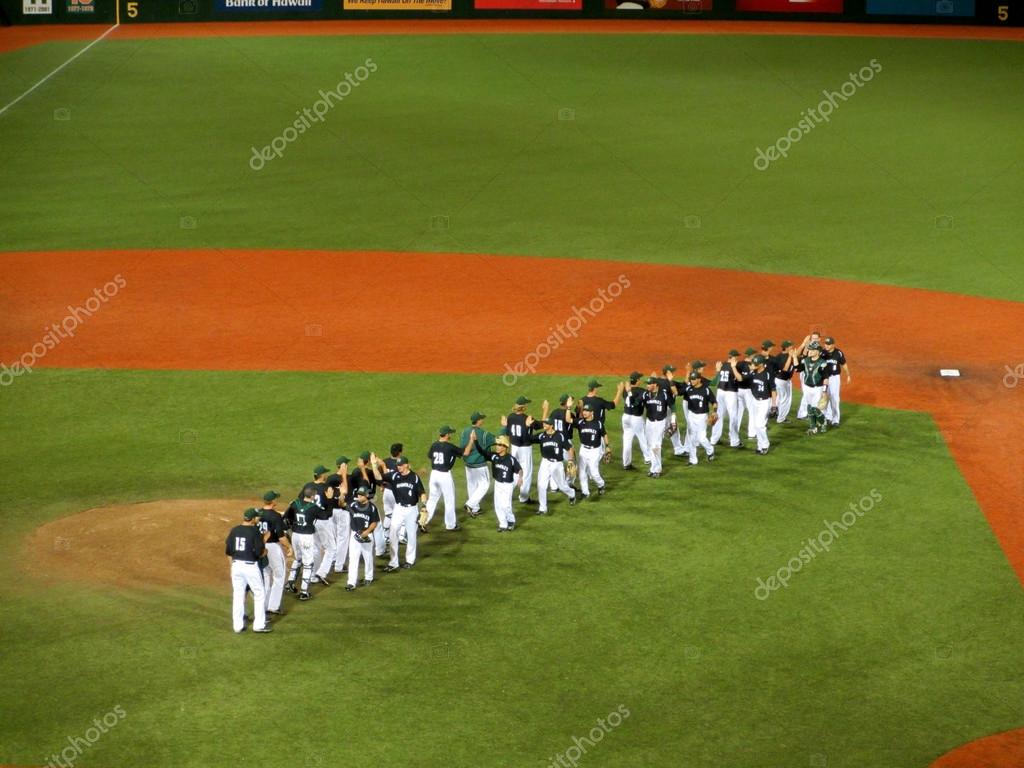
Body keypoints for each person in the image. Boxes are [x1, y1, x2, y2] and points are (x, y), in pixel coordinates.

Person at [225, 508, 271, 633]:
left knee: (238, 595)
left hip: (236, 566)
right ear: (252, 519)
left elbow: (228, 552)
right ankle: (259, 625)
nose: (258, 519)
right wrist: (265, 549)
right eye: (256, 517)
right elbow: (259, 553)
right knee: (259, 594)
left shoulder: (234, 530)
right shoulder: (254, 531)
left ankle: (237, 626)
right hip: (250, 566)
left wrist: (232, 567)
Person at [383, 458, 426, 572]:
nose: (399, 467)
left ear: (407, 465)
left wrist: (424, 506)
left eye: (401, 465)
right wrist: (373, 464)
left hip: (412, 509)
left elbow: (422, 492)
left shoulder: (414, 477)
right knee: (393, 532)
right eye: (398, 465)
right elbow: (379, 477)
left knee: (411, 535)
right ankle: (393, 562)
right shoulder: (394, 476)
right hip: (398, 508)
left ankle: (410, 560)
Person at [501, 396, 546, 505]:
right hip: (524, 449)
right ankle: (524, 497)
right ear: (524, 406)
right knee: (526, 473)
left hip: (514, 447)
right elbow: (544, 425)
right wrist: (545, 409)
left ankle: (505, 494)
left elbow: (507, 433)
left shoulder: (510, 417)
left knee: (515, 471)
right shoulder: (527, 418)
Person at [531, 419, 577, 514]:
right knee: (541, 485)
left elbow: (570, 448)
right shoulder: (541, 436)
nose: (544, 425)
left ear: (551, 425)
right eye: (544, 423)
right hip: (545, 462)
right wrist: (527, 426)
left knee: (562, 486)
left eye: (546, 423)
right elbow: (528, 439)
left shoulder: (560, 436)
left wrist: (571, 461)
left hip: (557, 464)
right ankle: (542, 508)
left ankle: (571, 493)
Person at [257, 491, 292, 616]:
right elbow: (281, 537)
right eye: (276, 498)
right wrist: (289, 547)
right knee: (279, 576)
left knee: (266, 575)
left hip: (261, 547)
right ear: (272, 501)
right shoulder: (275, 516)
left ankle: (263, 606)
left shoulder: (257, 514)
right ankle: (273, 606)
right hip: (272, 548)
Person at [284, 484, 319, 601]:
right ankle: (304, 591)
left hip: (295, 536)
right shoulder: (314, 507)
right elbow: (326, 515)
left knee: (297, 559)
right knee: (308, 563)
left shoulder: (294, 503)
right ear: (313, 496)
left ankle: (290, 583)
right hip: (306, 537)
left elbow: (286, 517)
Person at [425, 425, 463, 531]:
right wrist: (471, 442)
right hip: (444, 475)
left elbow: (430, 456)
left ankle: (423, 521)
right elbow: (464, 452)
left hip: (434, 475)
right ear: (446, 435)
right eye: (450, 433)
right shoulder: (449, 447)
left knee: (432, 499)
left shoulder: (434, 445)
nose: (450, 435)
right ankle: (450, 525)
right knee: (449, 500)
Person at [460, 411, 495, 518]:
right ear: (478, 421)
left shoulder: (464, 432)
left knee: (472, 485)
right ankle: (470, 505)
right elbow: (496, 439)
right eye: (482, 419)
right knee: (484, 484)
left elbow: (462, 447)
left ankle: (475, 508)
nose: (483, 420)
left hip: (468, 464)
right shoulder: (484, 434)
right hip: (480, 465)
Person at [485, 435, 523, 532]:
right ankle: (503, 524)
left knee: (506, 505)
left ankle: (511, 520)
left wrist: (520, 478)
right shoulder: (494, 456)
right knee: (497, 505)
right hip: (497, 483)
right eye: (497, 445)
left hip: (507, 485)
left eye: (499, 445)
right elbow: (482, 451)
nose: (497, 447)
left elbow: (519, 469)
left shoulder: (511, 459)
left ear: (505, 447)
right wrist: (475, 441)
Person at [346, 486, 380, 591]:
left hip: (367, 535)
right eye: (358, 494)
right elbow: (341, 504)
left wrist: (367, 532)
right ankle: (351, 582)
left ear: (366, 496)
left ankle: (369, 577)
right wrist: (342, 495)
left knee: (368, 557)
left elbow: (374, 522)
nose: (358, 496)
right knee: (353, 559)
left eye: (361, 495)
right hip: (355, 535)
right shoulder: (353, 505)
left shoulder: (372, 508)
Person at [795, 338, 831, 434]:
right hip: (807, 387)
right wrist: (794, 357)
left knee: (815, 408)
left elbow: (826, 378)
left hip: (817, 388)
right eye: (809, 349)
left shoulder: (823, 363)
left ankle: (823, 422)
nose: (809, 351)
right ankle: (813, 427)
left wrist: (824, 391)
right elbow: (796, 369)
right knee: (809, 407)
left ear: (817, 351)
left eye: (812, 350)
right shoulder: (805, 360)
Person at [681, 371, 716, 466]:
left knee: (701, 438)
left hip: (702, 416)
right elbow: (678, 392)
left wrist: (714, 412)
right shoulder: (689, 389)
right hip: (691, 415)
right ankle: (693, 460)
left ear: (699, 379)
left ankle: (710, 450)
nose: (692, 381)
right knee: (691, 438)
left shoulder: (706, 390)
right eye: (691, 379)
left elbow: (714, 402)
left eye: (694, 379)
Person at [711, 350, 744, 449]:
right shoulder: (736, 366)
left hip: (720, 392)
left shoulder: (722, 364)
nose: (737, 358)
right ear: (733, 357)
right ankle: (734, 441)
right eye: (736, 356)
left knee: (719, 415)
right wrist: (734, 368)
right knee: (733, 416)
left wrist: (717, 370)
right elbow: (740, 379)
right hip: (731, 393)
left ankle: (714, 439)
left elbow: (715, 381)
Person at [574, 404, 608, 497]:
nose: (584, 412)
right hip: (583, 449)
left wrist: (607, 446)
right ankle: (585, 492)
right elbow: (568, 420)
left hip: (595, 450)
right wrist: (569, 408)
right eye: (584, 410)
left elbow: (604, 434)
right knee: (582, 471)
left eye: (587, 411)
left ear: (592, 412)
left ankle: (601, 484)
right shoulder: (580, 422)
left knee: (593, 473)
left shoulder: (598, 423)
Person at [620, 371, 651, 470]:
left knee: (627, 440)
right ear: (637, 380)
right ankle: (648, 458)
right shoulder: (641, 391)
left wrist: (628, 391)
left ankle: (626, 463)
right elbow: (636, 403)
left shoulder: (625, 390)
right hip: (636, 418)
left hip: (626, 417)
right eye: (639, 379)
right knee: (642, 437)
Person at [641, 376, 670, 478]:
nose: (647, 386)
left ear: (655, 385)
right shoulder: (646, 394)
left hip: (660, 422)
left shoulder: (664, 395)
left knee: (656, 446)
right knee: (650, 445)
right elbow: (637, 404)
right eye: (647, 384)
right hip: (649, 422)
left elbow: (672, 406)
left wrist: (673, 421)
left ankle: (658, 469)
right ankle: (653, 468)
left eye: (649, 384)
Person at [821, 336, 851, 426]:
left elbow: (844, 364)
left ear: (833, 345)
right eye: (826, 344)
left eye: (829, 344)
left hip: (834, 378)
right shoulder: (822, 353)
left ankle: (835, 420)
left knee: (834, 398)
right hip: (824, 379)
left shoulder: (838, 353)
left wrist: (848, 375)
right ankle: (827, 417)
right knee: (824, 397)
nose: (826, 346)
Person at [331, 456, 351, 575]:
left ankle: (333, 559)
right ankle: (338, 565)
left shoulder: (330, 478)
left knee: (333, 537)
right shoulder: (346, 478)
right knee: (343, 538)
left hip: (331, 512)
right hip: (342, 511)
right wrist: (343, 474)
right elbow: (345, 491)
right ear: (344, 466)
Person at [772, 341, 797, 423]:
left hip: (779, 380)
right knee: (785, 399)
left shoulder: (781, 355)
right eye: (790, 346)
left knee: (780, 398)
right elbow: (785, 369)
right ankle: (781, 418)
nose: (792, 347)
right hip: (782, 380)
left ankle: (777, 413)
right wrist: (790, 357)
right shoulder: (782, 357)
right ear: (786, 348)